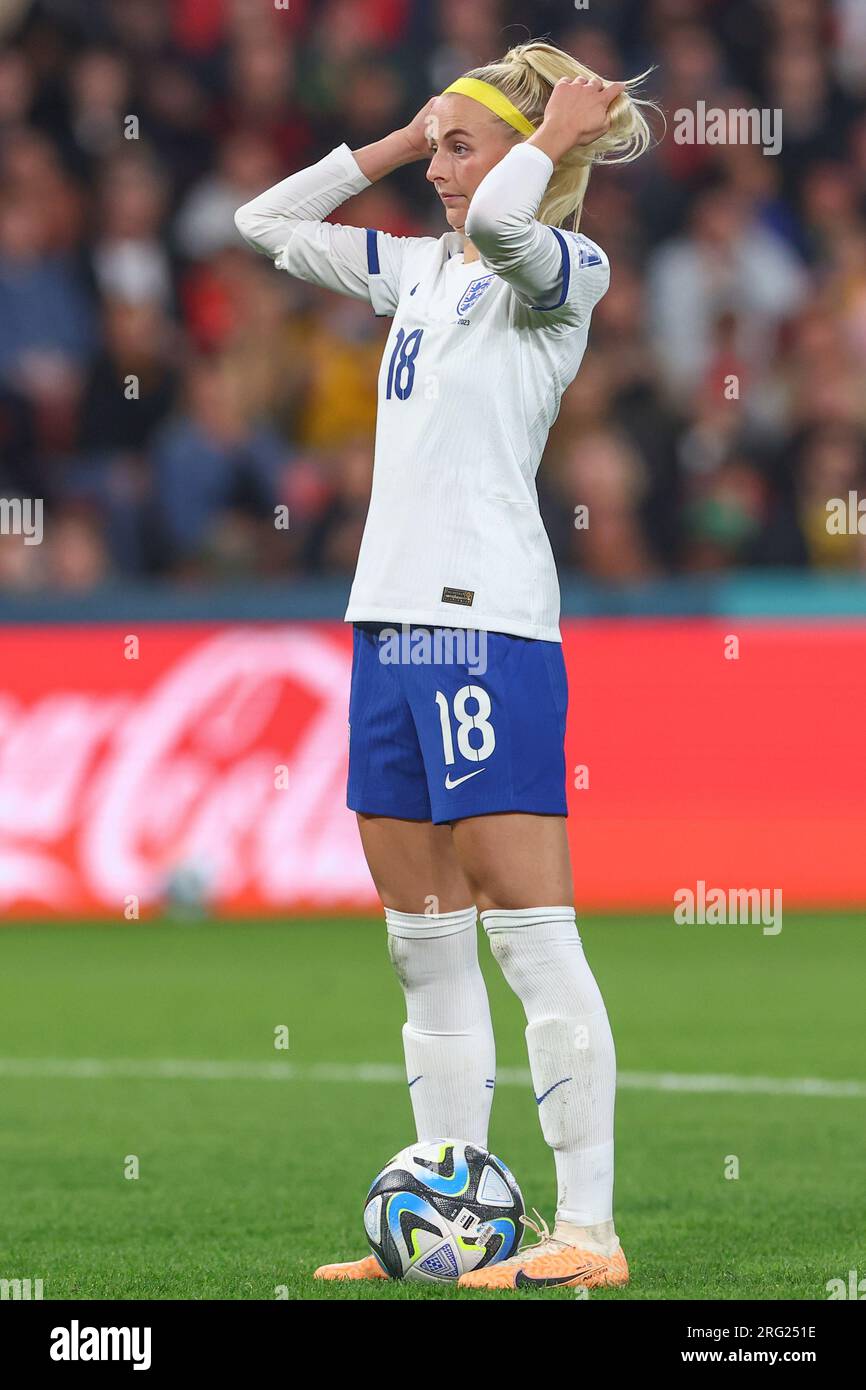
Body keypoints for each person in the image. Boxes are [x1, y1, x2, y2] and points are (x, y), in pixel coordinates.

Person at [235, 39, 654, 1291]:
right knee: (421, 943)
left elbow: (521, 225)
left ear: (535, 156)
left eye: (454, 150)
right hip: (387, 625)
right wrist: (404, 140)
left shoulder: (563, 271)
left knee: (527, 933)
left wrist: (537, 141)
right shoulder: (419, 269)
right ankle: (447, 1199)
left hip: (485, 627)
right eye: (438, 150)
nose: (437, 173)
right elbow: (263, 220)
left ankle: (587, 1231)